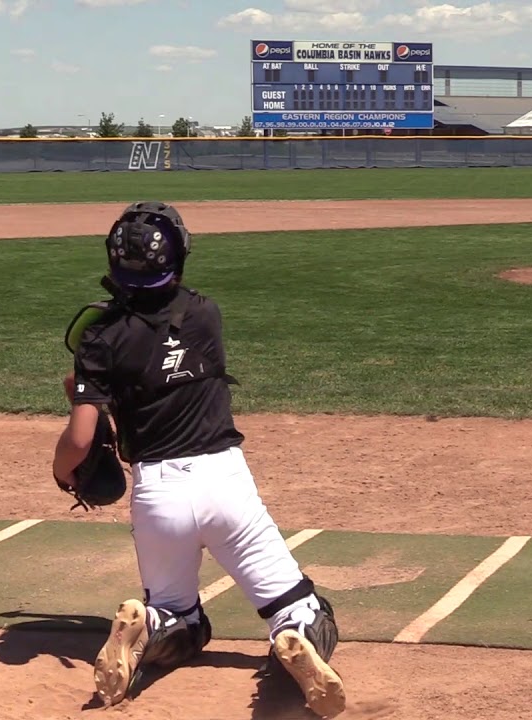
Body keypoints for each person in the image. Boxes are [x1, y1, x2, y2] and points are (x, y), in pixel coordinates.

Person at [51, 201, 347, 718]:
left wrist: (63, 467)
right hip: (225, 483)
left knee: (181, 615)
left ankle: (154, 625)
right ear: (179, 256)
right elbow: (166, 350)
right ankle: (296, 634)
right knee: (303, 607)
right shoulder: (205, 312)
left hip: (158, 495)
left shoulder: (99, 337)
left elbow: (82, 436)